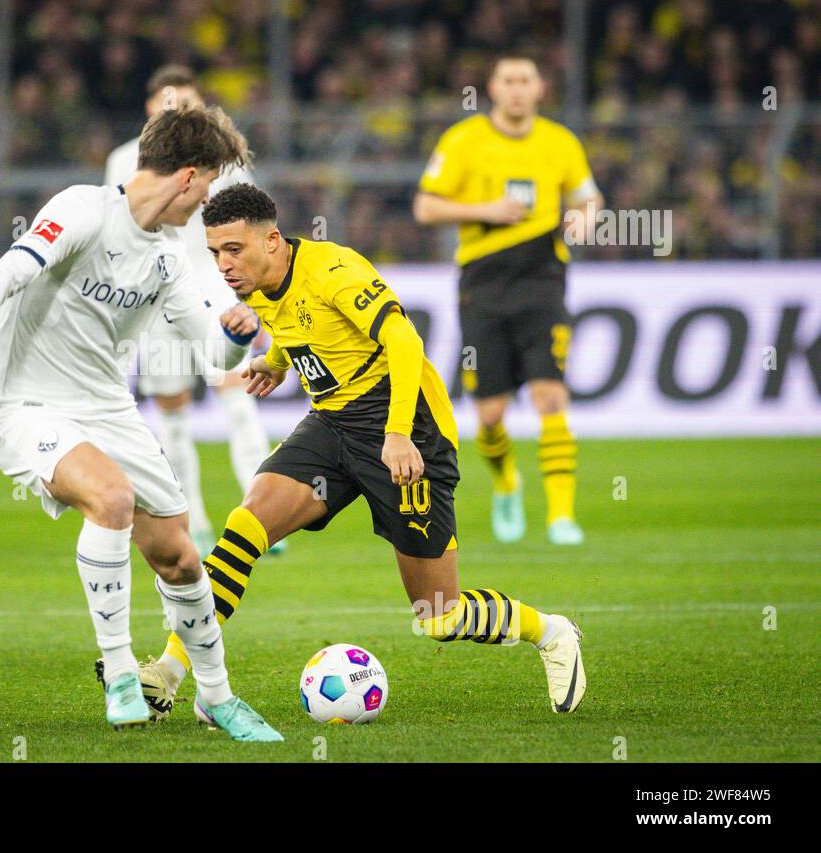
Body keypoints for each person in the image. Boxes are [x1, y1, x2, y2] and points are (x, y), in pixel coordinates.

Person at [137, 182, 586, 719]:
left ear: (273, 240)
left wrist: (397, 433)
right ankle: (170, 671)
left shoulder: (333, 270)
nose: (223, 264)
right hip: (331, 425)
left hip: (406, 427)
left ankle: (552, 632)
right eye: (214, 252)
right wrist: (275, 363)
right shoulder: (255, 286)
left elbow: (404, 340)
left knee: (438, 616)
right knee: (244, 528)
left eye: (233, 250)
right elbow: (299, 327)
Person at [0, 106, 282, 740]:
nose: (208, 199)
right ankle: (122, 673)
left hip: (107, 409)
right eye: (208, 183)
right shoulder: (82, 210)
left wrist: (237, 336)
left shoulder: (170, 256)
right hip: (25, 403)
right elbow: (8, 275)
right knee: (112, 498)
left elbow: (211, 349)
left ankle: (217, 697)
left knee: (179, 558)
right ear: (187, 176)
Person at [414, 55, 604, 545]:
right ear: (493, 88)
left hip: (543, 277)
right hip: (483, 282)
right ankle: (507, 484)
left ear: (540, 88)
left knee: (550, 396)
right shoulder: (463, 141)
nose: (517, 89)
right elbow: (425, 205)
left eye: (526, 80)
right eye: (508, 81)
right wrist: (485, 209)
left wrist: (584, 218)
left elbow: (589, 197)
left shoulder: (560, 142)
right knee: (492, 413)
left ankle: (562, 516)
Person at [103, 65, 277, 557]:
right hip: (155, 300)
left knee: (237, 395)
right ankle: (194, 518)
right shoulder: (123, 161)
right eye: (168, 104)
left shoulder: (226, 162)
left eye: (187, 105)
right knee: (173, 414)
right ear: (150, 108)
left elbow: (250, 230)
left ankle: (260, 511)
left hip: (215, 287)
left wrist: (253, 299)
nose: (177, 112)